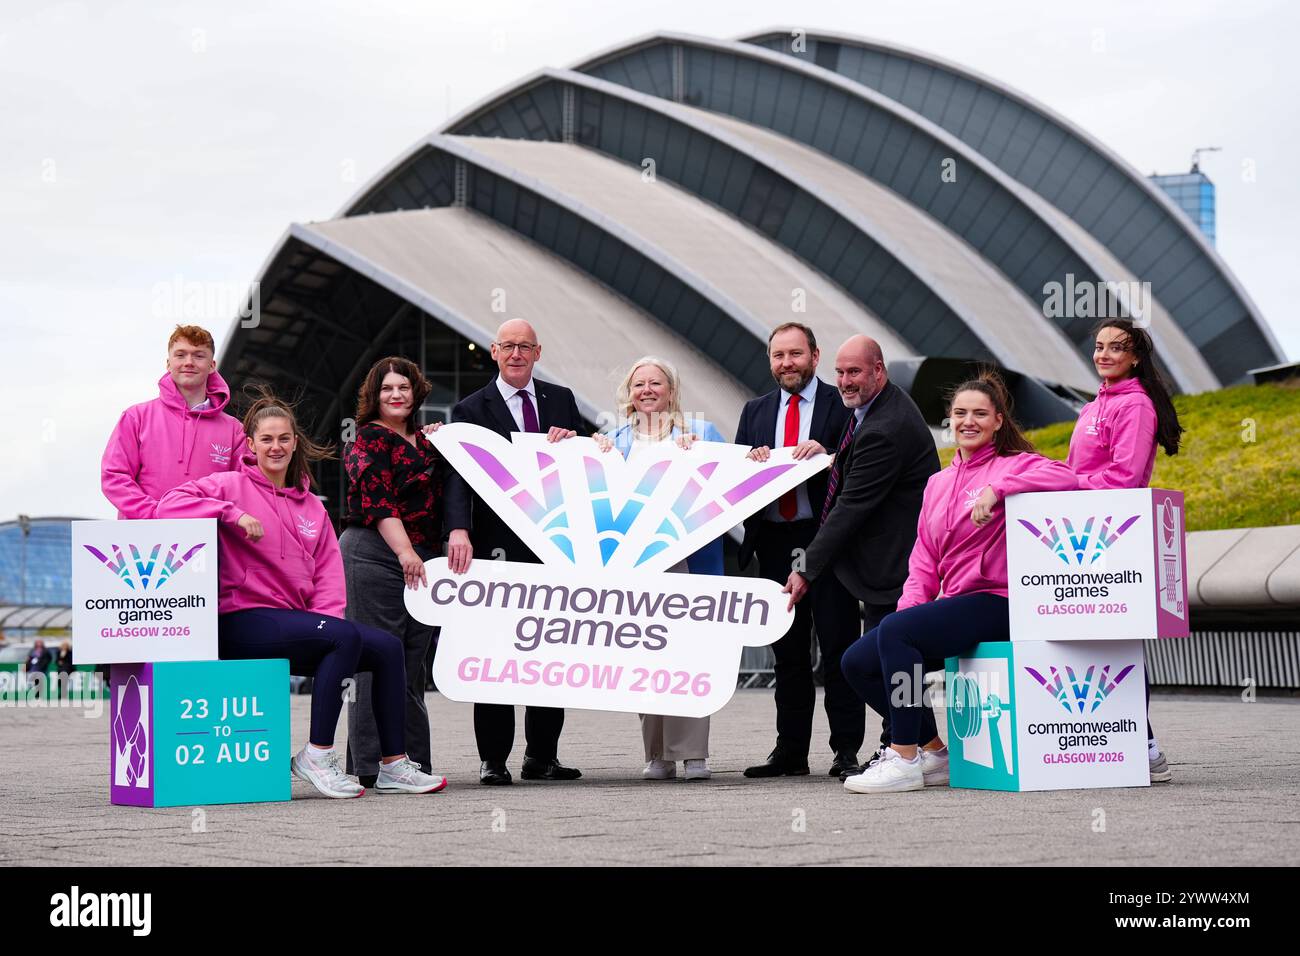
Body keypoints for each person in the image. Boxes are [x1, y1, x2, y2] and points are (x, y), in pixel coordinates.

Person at [157, 389, 446, 798]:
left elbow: (329, 576)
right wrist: (231, 514)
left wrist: (325, 624)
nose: (276, 447)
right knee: (343, 635)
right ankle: (317, 754)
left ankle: (393, 765)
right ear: (251, 445)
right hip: (239, 620)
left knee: (385, 647)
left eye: (284, 439)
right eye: (267, 439)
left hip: (294, 625)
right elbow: (168, 504)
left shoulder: (311, 507)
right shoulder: (228, 485)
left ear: (296, 443)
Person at [838, 371, 1079, 794]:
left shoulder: (1014, 465)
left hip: (999, 600)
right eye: (960, 413)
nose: (969, 421)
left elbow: (1068, 478)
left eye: (980, 414)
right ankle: (933, 751)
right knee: (858, 660)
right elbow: (925, 559)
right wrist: (910, 609)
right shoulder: (938, 483)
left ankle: (903, 757)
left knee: (894, 634)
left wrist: (999, 489)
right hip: (955, 602)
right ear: (950, 419)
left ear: (999, 421)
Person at [778, 335, 939, 779]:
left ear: (878, 371)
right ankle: (924, 746)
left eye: (856, 372)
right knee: (882, 663)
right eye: (841, 372)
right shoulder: (872, 409)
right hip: (883, 563)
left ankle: (903, 747)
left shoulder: (885, 428)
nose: (845, 381)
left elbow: (850, 507)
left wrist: (805, 567)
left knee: (881, 663)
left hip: (896, 567)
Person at [445, 319, 585, 786]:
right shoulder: (469, 409)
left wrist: (576, 445)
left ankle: (542, 757)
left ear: (538, 351)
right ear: (493, 351)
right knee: (496, 652)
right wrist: (458, 530)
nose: (517, 354)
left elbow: (585, 467)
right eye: (508, 346)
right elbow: (459, 476)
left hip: (552, 546)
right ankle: (494, 759)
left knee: (548, 651)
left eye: (525, 346)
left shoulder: (561, 400)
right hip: (492, 547)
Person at [341, 357, 468, 789]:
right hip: (376, 554)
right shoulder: (368, 439)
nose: (396, 395)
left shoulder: (429, 442)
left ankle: (413, 761)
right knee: (375, 660)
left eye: (403, 387)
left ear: (417, 392)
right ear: (374, 396)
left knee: (411, 665)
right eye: (386, 389)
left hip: (423, 559)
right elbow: (378, 503)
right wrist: (405, 551)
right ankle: (370, 766)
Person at [733, 323, 853, 779]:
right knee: (788, 654)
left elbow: (856, 465)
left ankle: (845, 749)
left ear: (815, 356)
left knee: (839, 645)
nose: (786, 363)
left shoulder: (840, 407)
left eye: (795, 354)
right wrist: (752, 464)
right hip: (776, 541)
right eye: (778, 355)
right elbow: (740, 480)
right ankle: (790, 751)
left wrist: (828, 454)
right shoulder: (755, 411)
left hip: (826, 539)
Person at [595, 357, 724, 781]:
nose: (647, 390)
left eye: (656, 383)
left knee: (688, 653)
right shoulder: (610, 440)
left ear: (671, 390)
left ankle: (694, 754)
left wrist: (708, 457)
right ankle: (658, 754)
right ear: (629, 395)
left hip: (689, 560)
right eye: (639, 385)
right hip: (635, 564)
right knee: (645, 654)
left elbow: (733, 478)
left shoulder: (701, 433)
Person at [1067, 319, 1184, 783]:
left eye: (1116, 348)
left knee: (1119, 644)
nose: (1104, 354)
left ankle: (1145, 745)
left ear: (1135, 357)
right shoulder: (1096, 402)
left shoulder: (1135, 405)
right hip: (1087, 536)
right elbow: (1084, 469)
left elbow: (1127, 478)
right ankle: (1134, 743)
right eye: (1099, 347)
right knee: (1100, 645)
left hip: (1115, 539)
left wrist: (1065, 486)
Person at [101, 324, 246, 518]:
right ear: (168, 363)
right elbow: (114, 476)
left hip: (209, 539)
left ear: (212, 366)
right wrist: (155, 514)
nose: (189, 362)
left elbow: (244, 487)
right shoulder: (136, 417)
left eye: (198, 355)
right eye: (180, 355)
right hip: (144, 538)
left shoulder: (234, 430)